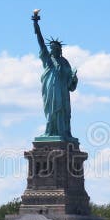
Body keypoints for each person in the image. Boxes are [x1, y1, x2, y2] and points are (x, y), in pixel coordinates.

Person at [32, 9, 78, 139]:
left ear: (59, 50)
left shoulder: (64, 63)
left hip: (62, 92)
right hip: (51, 90)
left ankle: (63, 133)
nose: (52, 50)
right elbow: (41, 43)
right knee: (52, 111)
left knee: (64, 112)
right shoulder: (48, 59)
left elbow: (71, 85)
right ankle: (50, 131)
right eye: (51, 48)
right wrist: (36, 24)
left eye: (55, 48)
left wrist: (74, 78)